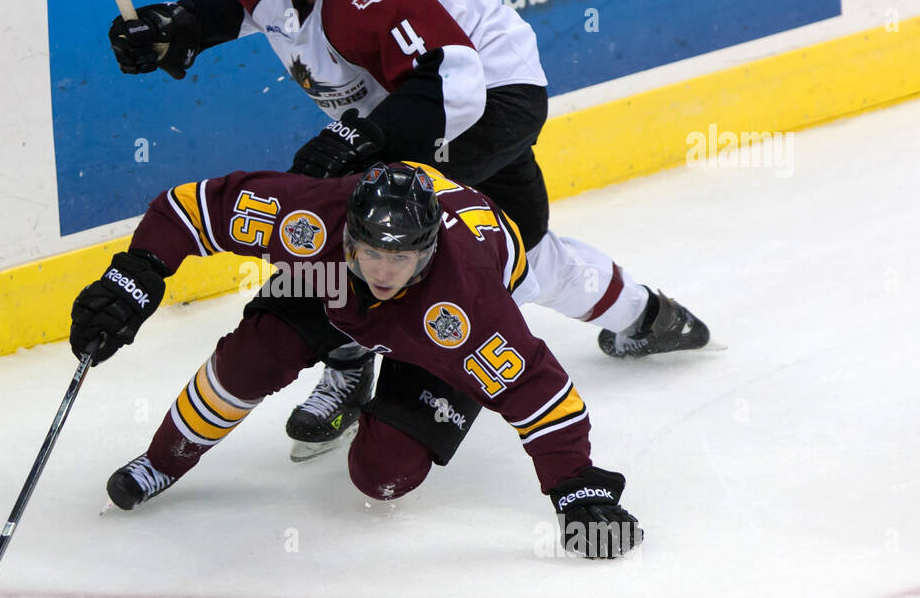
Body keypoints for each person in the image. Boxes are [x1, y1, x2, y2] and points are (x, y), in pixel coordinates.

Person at [106, 0, 709, 461]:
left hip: (488, 98)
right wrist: (175, 27)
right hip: (418, 101)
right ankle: (646, 313)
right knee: (518, 248)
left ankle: (346, 362)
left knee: (365, 223)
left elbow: (452, 79)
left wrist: (359, 139)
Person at [69, 161, 643, 559]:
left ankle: (361, 360)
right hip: (329, 288)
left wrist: (578, 489)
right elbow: (189, 209)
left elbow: (538, 393)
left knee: (382, 478)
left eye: (402, 258)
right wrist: (135, 277)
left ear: (430, 249)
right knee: (250, 360)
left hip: (429, 335)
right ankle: (165, 460)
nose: (383, 271)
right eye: (370, 252)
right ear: (349, 238)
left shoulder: (465, 303)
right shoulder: (313, 221)